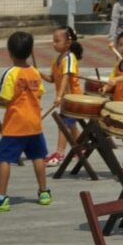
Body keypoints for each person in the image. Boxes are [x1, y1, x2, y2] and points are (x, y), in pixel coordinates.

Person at [0, 31, 52, 212]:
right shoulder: (35, 72)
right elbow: (39, 93)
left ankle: (1, 197)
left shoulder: (10, 73)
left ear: (10, 52)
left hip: (16, 125)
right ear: (29, 52)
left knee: (5, 159)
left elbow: (3, 99)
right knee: (37, 157)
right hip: (34, 123)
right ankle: (44, 192)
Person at [47, 24, 84, 166]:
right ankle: (82, 148)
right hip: (65, 100)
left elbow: (66, 77)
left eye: (57, 41)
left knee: (64, 124)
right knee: (71, 125)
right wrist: (38, 73)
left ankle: (59, 153)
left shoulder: (69, 58)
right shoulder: (57, 59)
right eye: (53, 40)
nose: (54, 43)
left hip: (72, 99)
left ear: (68, 42)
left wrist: (58, 96)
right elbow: (52, 79)